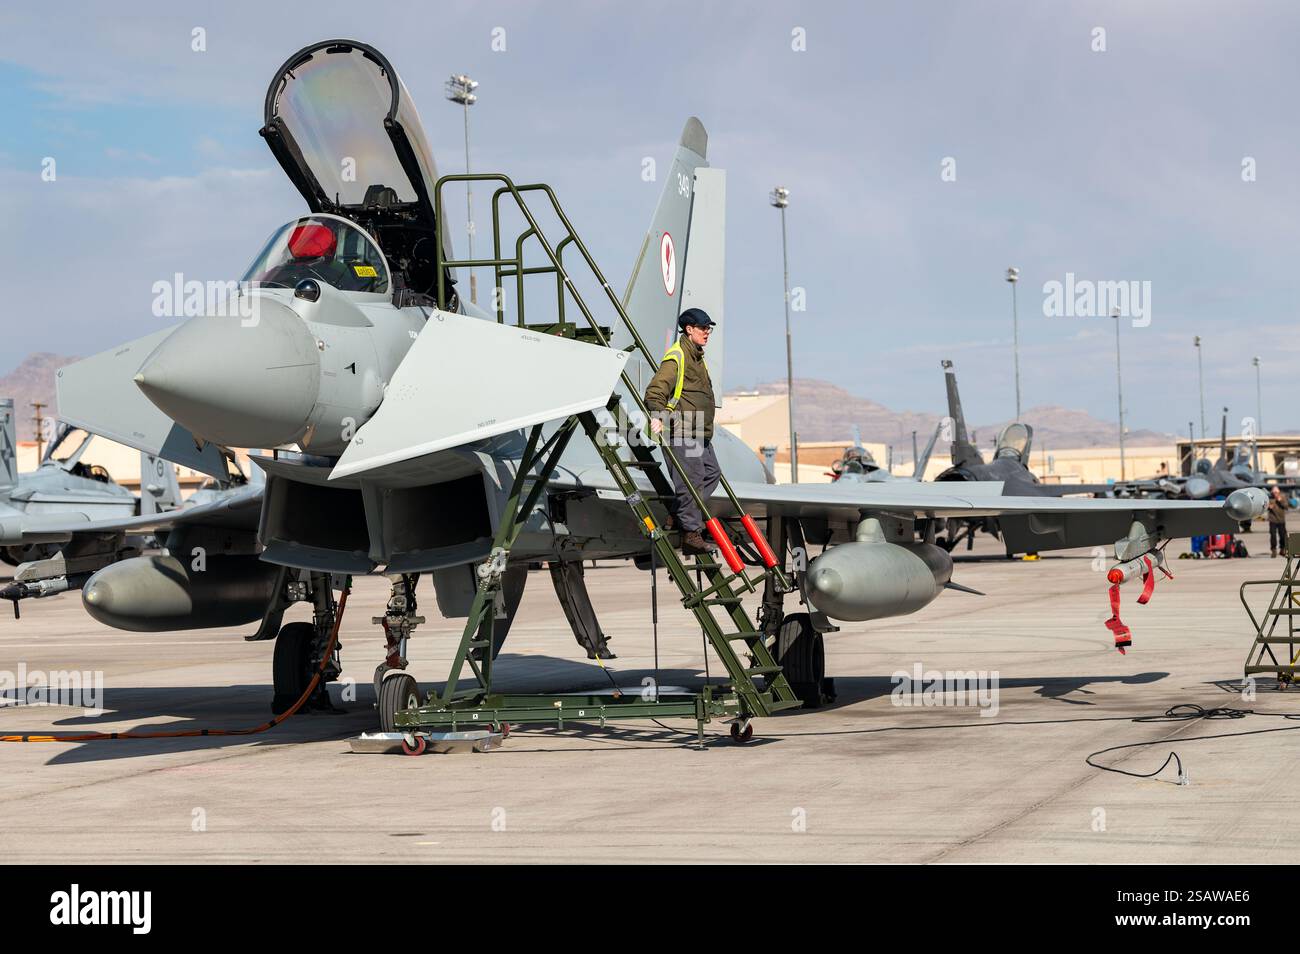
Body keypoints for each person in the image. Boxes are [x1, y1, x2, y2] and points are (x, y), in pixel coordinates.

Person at [644, 308, 721, 555]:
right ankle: (691, 534)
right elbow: (654, 392)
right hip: (682, 430)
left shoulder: (698, 357)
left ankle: (677, 516)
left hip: (700, 432)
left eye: (709, 328)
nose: (707, 332)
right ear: (689, 329)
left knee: (711, 474)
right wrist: (658, 416)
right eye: (703, 328)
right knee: (691, 481)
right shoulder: (677, 356)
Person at [1267, 485, 1291, 557]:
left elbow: (1286, 507)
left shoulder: (1283, 497)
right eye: (1274, 492)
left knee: (1283, 536)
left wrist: (1280, 501)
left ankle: (1282, 549)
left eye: (1276, 492)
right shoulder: (1269, 498)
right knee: (1273, 535)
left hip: (1281, 520)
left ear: (1279, 492)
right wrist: (1268, 507)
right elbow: (1264, 506)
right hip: (1272, 520)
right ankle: (1273, 550)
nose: (1275, 494)